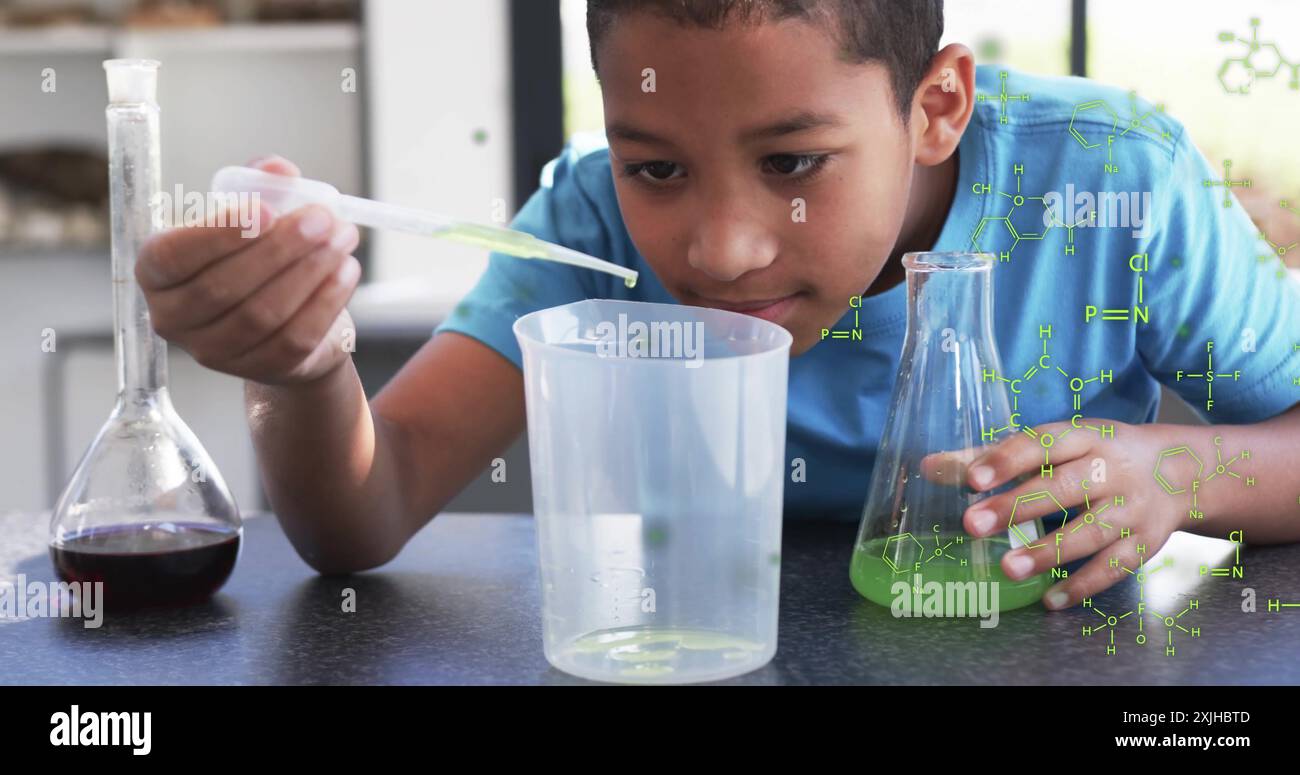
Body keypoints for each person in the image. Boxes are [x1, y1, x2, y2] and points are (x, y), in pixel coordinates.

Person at [135, 0, 1300, 611]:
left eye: (793, 164)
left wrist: (1176, 474)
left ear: (936, 105)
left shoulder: (1117, 183)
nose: (722, 247)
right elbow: (363, 515)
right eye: (657, 167)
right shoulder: (587, 218)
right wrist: (300, 369)